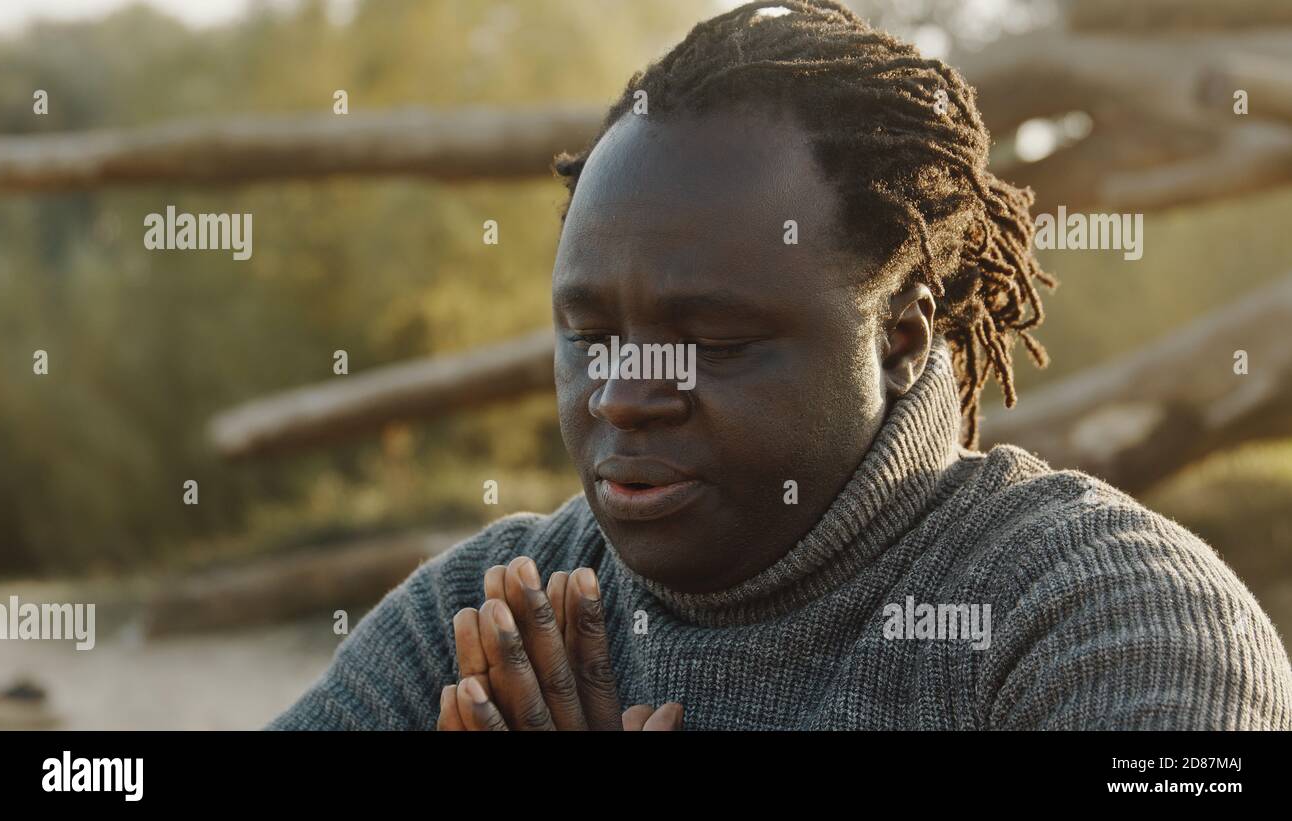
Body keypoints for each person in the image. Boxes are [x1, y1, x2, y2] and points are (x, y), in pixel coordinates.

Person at [268, 0, 1292, 731]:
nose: (623, 393)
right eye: (589, 334)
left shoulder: (1109, 615)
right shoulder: (488, 618)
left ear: (898, 338)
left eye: (711, 341)